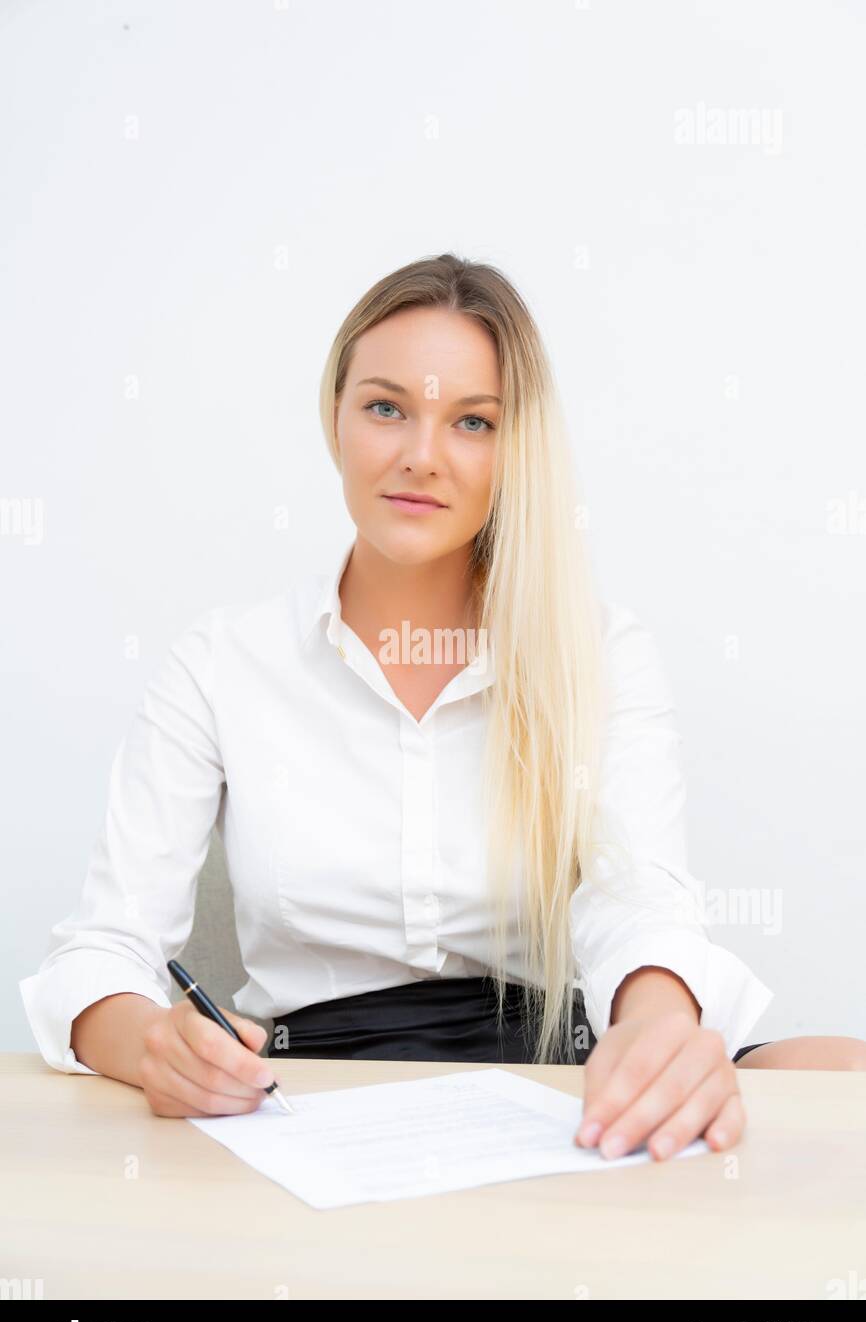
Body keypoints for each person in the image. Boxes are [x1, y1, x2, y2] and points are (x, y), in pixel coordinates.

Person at [19, 253, 866, 1165]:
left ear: (516, 449)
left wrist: (657, 1029)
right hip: (316, 1089)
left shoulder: (601, 651)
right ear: (335, 417)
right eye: (386, 407)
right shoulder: (224, 662)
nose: (422, 455)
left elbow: (641, 902)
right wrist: (152, 1044)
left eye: (473, 421)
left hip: (559, 1078)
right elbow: (100, 952)